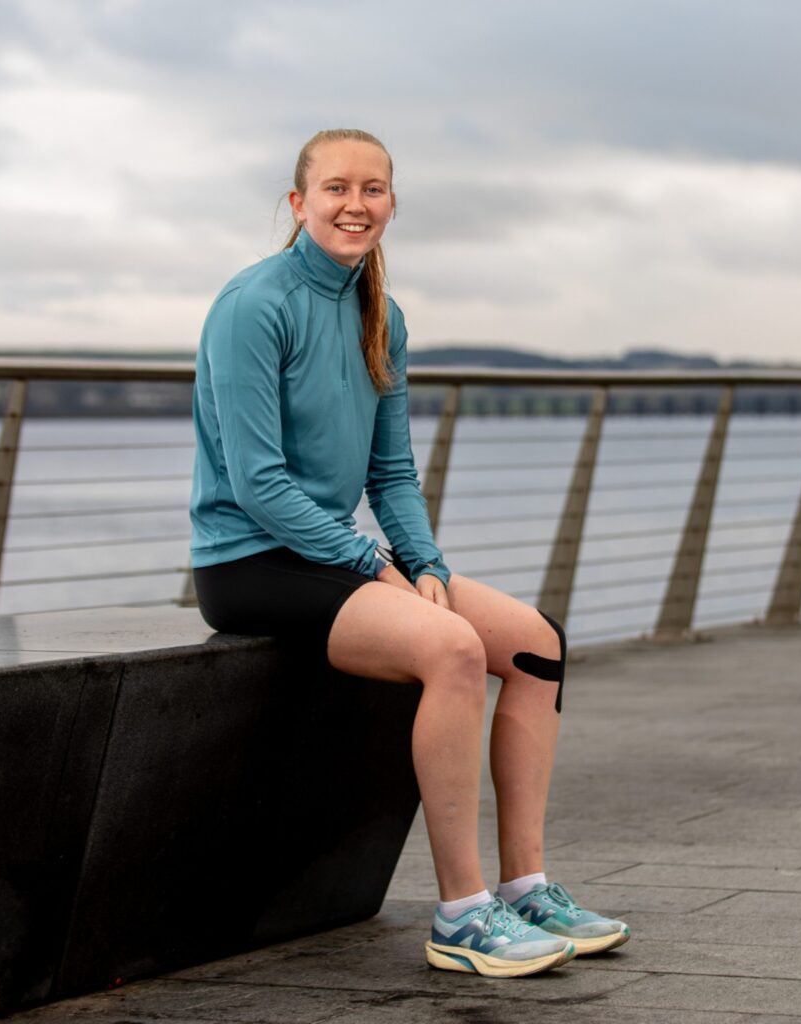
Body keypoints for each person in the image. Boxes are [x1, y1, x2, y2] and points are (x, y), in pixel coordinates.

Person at [188, 128, 629, 978]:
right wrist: (372, 565)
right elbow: (258, 484)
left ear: (392, 202)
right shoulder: (252, 306)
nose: (355, 205)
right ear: (299, 203)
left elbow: (390, 473)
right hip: (250, 564)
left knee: (537, 646)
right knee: (453, 649)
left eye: (373, 189)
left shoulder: (381, 316)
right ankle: (462, 913)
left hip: (335, 558)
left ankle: (526, 887)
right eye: (336, 189)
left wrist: (423, 564)